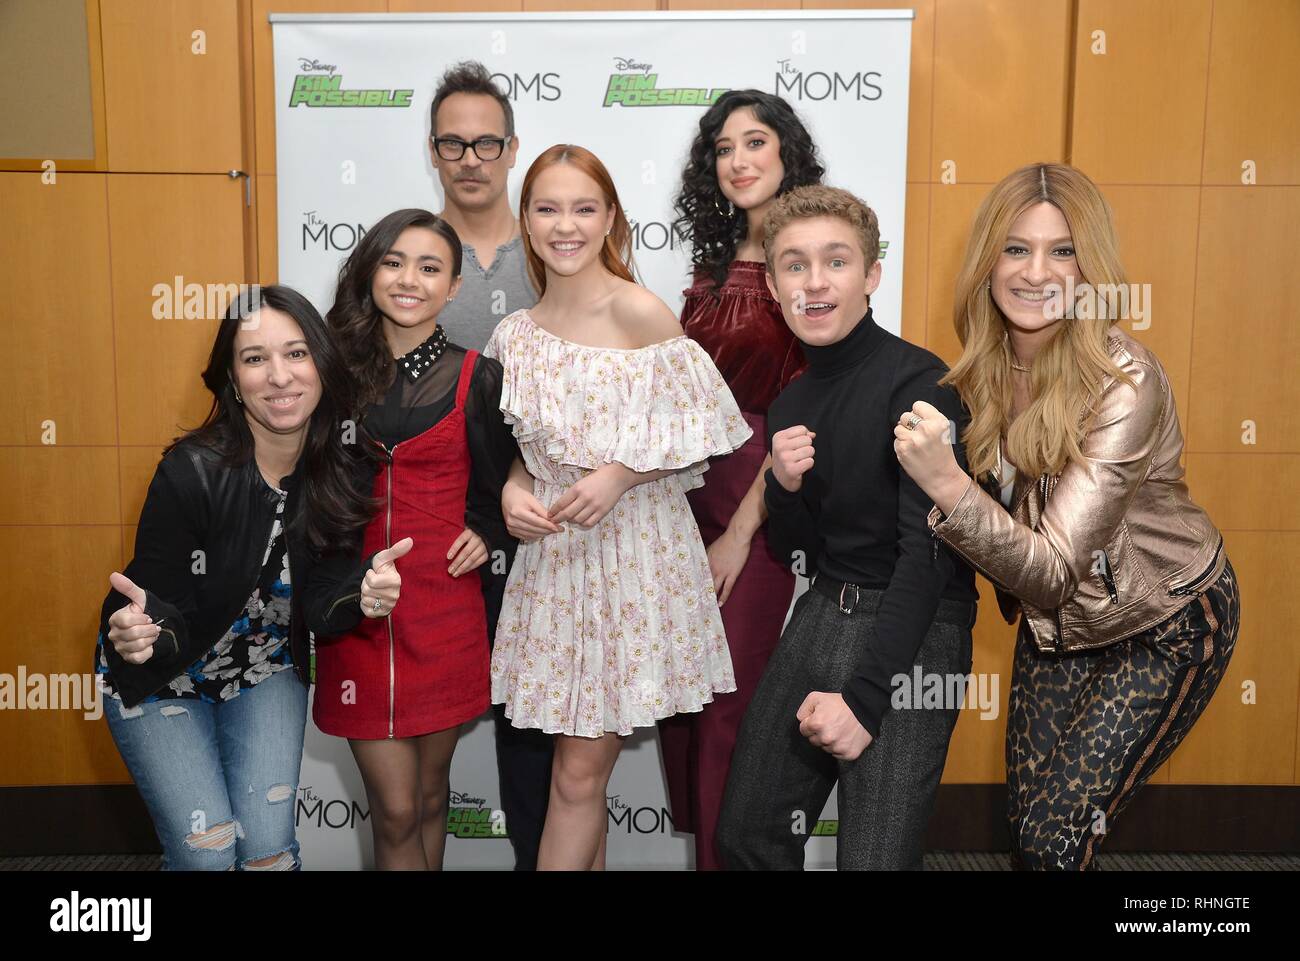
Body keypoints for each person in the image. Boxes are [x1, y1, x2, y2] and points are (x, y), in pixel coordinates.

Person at [894, 162, 1239, 871]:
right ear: (988, 263)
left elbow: (1050, 570)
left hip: (1164, 622)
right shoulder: (981, 375)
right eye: (1016, 248)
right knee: (1032, 832)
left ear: (1091, 270)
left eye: (1062, 251)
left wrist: (948, 486)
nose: (1036, 272)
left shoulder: (1124, 380)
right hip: (1059, 630)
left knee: (1055, 838)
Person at [485, 144, 752, 870]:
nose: (565, 225)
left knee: (574, 776)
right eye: (547, 208)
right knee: (580, 780)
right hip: (554, 569)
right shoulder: (515, 336)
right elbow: (523, 450)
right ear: (526, 222)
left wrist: (621, 475)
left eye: (583, 208)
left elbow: (706, 427)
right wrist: (513, 489)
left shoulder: (639, 311)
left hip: (631, 564)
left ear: (610, 219)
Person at [716, 185, 979, 871]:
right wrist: (784, 486)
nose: (815, 281)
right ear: (773, 285)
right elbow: (796, 549)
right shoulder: (793, 401)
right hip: (823, 610)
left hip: (916, 628)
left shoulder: (923, 383)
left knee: (874, 861)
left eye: (836, 261)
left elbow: (927, 562)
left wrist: (863, 703)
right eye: (794, 265)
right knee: (746, 832)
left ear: (871, 275)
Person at [96, 285, 389, 870]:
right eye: (255, 359)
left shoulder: (345, 463)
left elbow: (325, 600)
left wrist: (361, 596)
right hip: (161, 674)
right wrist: (135, 631)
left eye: (296, 353)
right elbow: (154, 601)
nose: (279, 376)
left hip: (264, 669)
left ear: (322, 365)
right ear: (232, 378)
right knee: (208, 857)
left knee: (267, 854)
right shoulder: (192, 470)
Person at [315, 207, 517, 870]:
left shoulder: (478, 376)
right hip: (357, 611)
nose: (410, 279)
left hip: (447, 609)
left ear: (454, 286)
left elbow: (502, 483)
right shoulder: (327, 376)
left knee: (431, 798)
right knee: (397, 809)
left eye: (430, 267)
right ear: (371, 269)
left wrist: (488, 531)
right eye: (395, 261)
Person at [658, 89, 821, 870]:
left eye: (756, 143)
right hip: (680, 500)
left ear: (787, 154)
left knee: (728, 703)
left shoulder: (808, 260)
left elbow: (799, 424)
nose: (738, 161)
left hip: (751, 503)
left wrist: (737, 532)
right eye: (724, 148)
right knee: (686, 708)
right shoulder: (714, 261)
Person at [426, 59, 549, 869]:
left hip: (540, 524)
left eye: (485, 143)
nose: (470, 159)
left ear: (511, 149)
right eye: (452, 143)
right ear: (433, 153)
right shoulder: (405, 257)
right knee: (420, 742)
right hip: (436, 527)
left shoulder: (558, 249)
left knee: (532, 728)